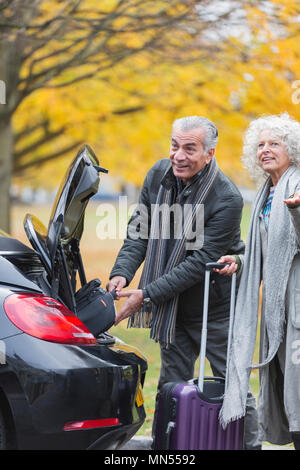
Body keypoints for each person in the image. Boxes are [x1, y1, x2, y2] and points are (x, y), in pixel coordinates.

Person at [107, 115, 260, 449]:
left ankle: (251, 447)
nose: (178, 155)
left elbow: (196, 265)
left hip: (216, 308)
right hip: (173, 309)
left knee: (234, 387)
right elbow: (139, 233)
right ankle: (169, 449)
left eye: (189, 148)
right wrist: (121, 274)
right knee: (170, 386)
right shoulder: (157, 176)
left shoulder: (227, 198)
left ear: (209, 153)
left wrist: (145, 296)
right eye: (174, 145)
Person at [216, 113, 300, 449]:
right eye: (260, 144)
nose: (265, 149)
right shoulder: (268, 192)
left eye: (274, 143)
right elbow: (269, 251)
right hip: (276, 314)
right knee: (283, 387)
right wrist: (240, 261)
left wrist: (296, 212)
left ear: (292, 148)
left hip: (296, 309)